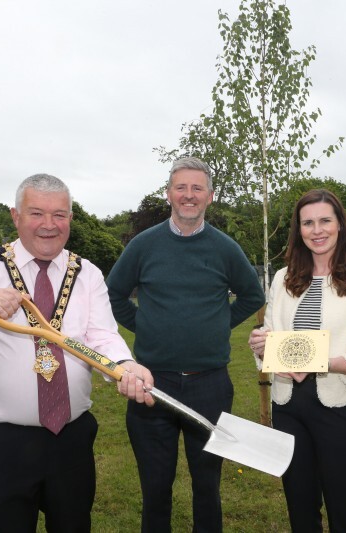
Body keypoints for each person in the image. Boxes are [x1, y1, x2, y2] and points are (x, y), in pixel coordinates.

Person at [0, 174, 154, 532]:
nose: (49, 225)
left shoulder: (87, 274)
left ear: (70, 218)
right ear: (15, 216)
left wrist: (124, 366)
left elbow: (102, 336)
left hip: (71, 442)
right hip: (3, 445)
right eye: (37, 213)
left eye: (60, 215)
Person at [106, 157, 265, 532]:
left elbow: (251, 295)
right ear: (169, 194)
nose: (189, 195)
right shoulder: (144, 245)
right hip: (151, 386)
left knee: (207, 485)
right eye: (181, 188)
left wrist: (217, 324)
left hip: (209, 384)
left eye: (197, 189)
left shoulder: (225, 248)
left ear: (209, 196)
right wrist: (142, 324)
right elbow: (111, 295)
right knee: (155, 487)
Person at [248, 189, 346, 532]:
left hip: (340, 405)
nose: (317, 230)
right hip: (288, 405)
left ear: (340, 225)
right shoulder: (284, 278)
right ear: (299, 230)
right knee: (300, 511)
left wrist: (318, 361)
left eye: (325, 220)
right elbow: (273, 341)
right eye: (308, 223)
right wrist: (261, 348)